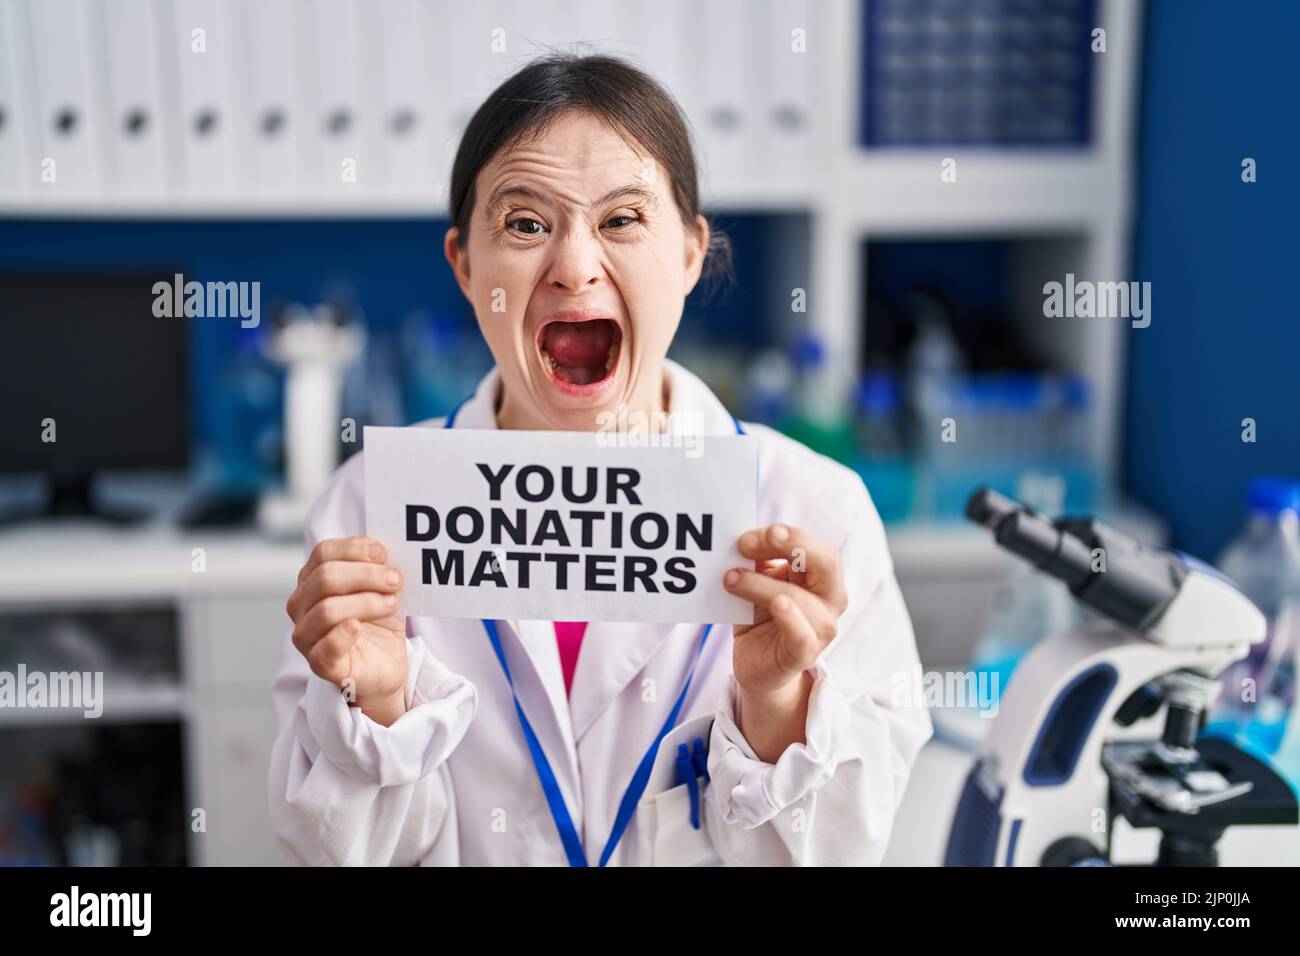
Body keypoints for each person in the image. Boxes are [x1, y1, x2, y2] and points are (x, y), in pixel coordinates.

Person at [268, 53, 931, 866]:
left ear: (691, 254)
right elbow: (337, 856)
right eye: (524, 223)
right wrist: (371, 706)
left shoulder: (817, 513)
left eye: (622, 220)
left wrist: (778, 702)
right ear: (466, 267)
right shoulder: (366, 514)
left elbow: (841, 853)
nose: (575, 267)